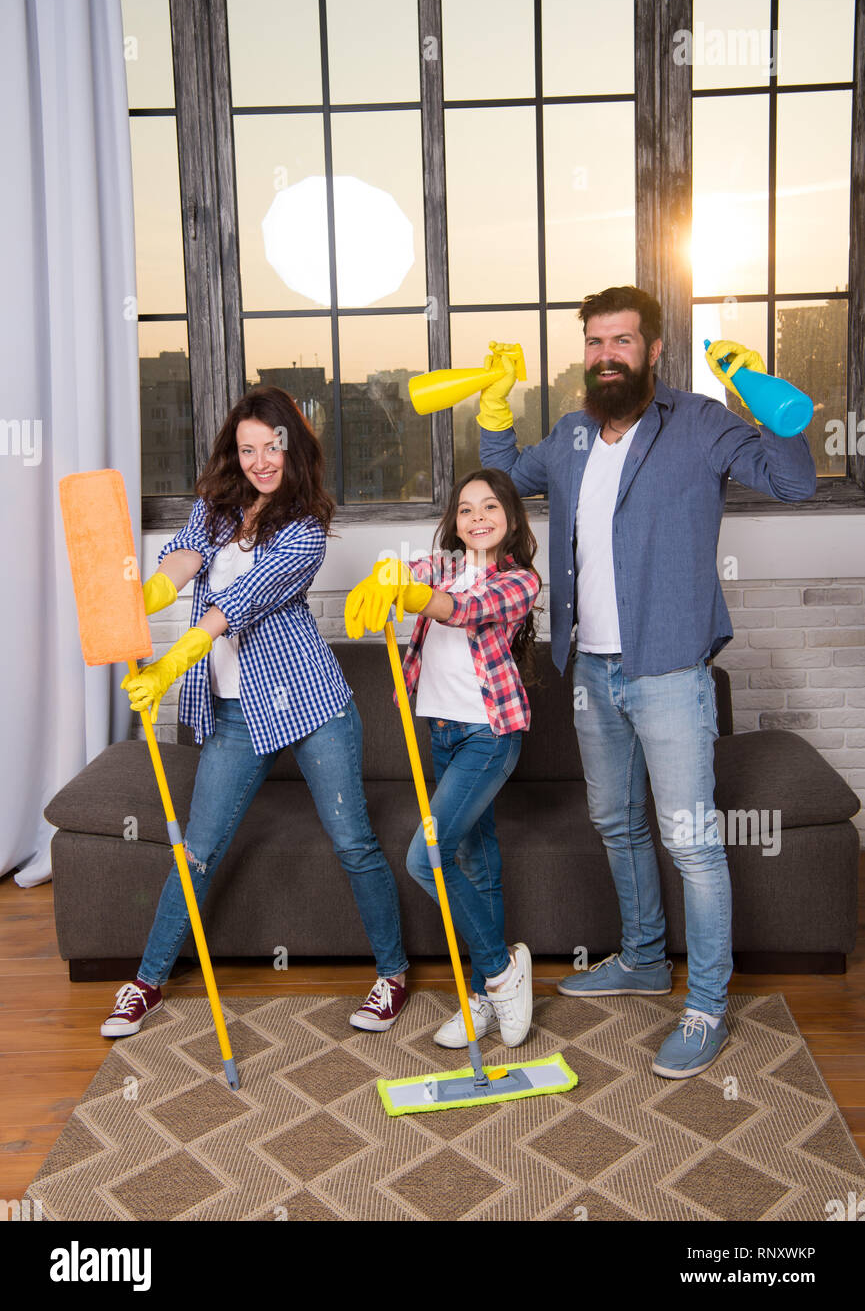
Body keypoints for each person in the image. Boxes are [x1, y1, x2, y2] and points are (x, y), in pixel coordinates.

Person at [478, 302, 817, 1078]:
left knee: (692, 844)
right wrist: (493, 410)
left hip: (667, 670)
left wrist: (763, 394)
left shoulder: (697, 421)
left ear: (651, 349)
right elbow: (499, 485)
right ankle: (639, 958)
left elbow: (791, 484)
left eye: (619, 340)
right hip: (589, 670)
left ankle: (705, 1007)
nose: (605, 354)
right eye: (593, 341)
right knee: (613, 821)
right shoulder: (568, 434)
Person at [100, 386, 411, 1039]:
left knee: (352, 842)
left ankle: (392, 973)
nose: (260, 460)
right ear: (232, 452)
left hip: (310, 704)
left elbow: (242, 598)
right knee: (199, 850)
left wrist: (171, 662)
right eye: (247, 448)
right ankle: (148, 981)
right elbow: (185, 553)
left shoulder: (305, 526)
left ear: (292, 445)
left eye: (272, 445)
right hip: (236, 716)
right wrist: (148, 591)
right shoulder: (215, 509)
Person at [344, 468, 541, 1049]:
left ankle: (502, 973)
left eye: (489, 508)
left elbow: (461, 609)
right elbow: (410, 573)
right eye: (465, 509)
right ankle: (482, 996)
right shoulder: (444, 564)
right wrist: (385, 579)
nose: (476, 518)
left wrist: (410, 597)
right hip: (443, 735)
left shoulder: (520, 582)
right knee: (478, 865)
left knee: (426, 855)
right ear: (454, 522)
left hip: (490, 737)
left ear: (510, 519)